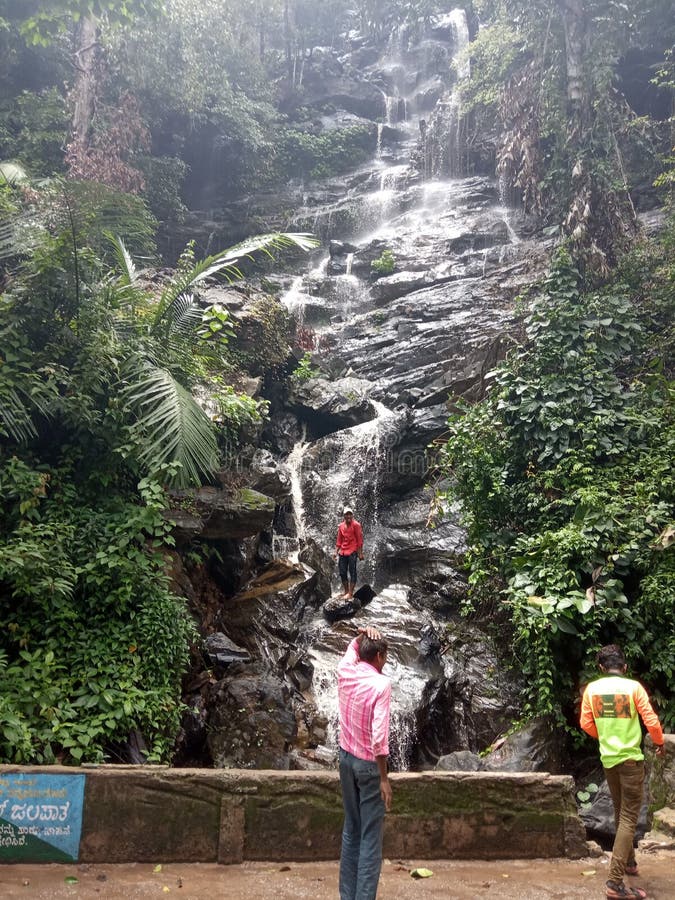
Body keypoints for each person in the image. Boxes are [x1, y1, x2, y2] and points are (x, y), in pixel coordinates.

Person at [580, 644, 666, 900]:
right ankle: (615, 882)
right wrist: (659, 742)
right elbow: (650, 720)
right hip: (630, 760)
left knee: (621, 812)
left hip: (609, 760)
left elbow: (585, 724)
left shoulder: (592, 689)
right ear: (624, 667)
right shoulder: (633, 688)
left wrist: (604, 736)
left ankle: (629, 863)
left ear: (601, 668)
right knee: (629, 817)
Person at [337, 625, 392, 900]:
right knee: (370, 837)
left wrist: (362, 635)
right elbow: (380, 739)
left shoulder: (345, 670)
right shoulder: (381, 685)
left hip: (345, 759)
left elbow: (352, 649)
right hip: (369, 767)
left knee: (351, 828)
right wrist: (384, 778)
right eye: (386, 656)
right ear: (380, 656)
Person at [334, 506, 364, 599]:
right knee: (342, 572)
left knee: (352, 572)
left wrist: (360, 553)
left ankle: (350, 593)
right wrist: (335, 552)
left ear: (352, 515)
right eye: (347, 514)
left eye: (350, 514)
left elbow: (359, 540)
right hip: (343, 552)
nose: (348, 516)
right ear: (344, 516)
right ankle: (346, 591)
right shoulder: (341, 526)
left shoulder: (356, 525)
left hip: (352, 552)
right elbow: (339, 541)